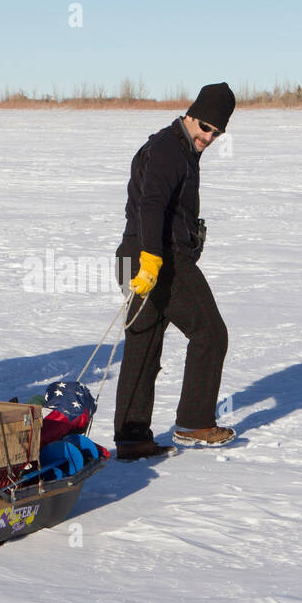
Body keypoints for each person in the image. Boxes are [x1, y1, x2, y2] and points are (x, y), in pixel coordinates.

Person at [113, 82, 236, 460]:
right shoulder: (169, 148)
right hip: (156, 258)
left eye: (216, 133)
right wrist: (152, 258)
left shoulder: (174, 146)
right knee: (210, 333)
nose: (209, 137)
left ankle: (132, 438)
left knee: (143, 345)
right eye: (205, 128)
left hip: (134, 255)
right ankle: (195, 422)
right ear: (191, 115)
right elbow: (151, 205)